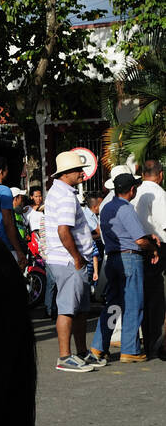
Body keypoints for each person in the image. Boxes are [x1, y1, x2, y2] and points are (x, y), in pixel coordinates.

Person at [88, 173, 156, 367]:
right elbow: (139, 240)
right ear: (132, 190)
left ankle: (99, 346)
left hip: (113, 258)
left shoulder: (107, 207)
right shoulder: (126, 209)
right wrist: (152, 248)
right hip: (129, 258)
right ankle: (130, 350)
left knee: (113, 304)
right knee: (133, 304)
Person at [46, 151, 99, 372]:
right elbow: (63, 230)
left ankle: (80, 352)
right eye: (78, 170)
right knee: (68, 309)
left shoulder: (59, 191)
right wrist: (77, 258)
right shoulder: (66, 195)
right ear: (66, 173)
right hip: (69, 260)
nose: (82, 173)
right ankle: (65, 356)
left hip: (67, 259)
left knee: (79, 308)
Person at [133, 159, 166, 359]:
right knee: (157, 299)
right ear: (160, 174)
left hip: (141, 247)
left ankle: (147, 341)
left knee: (145, 297)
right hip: (158, 248)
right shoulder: (159, 194)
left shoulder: (135, 192)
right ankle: (156, 343)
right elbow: (164, 224)